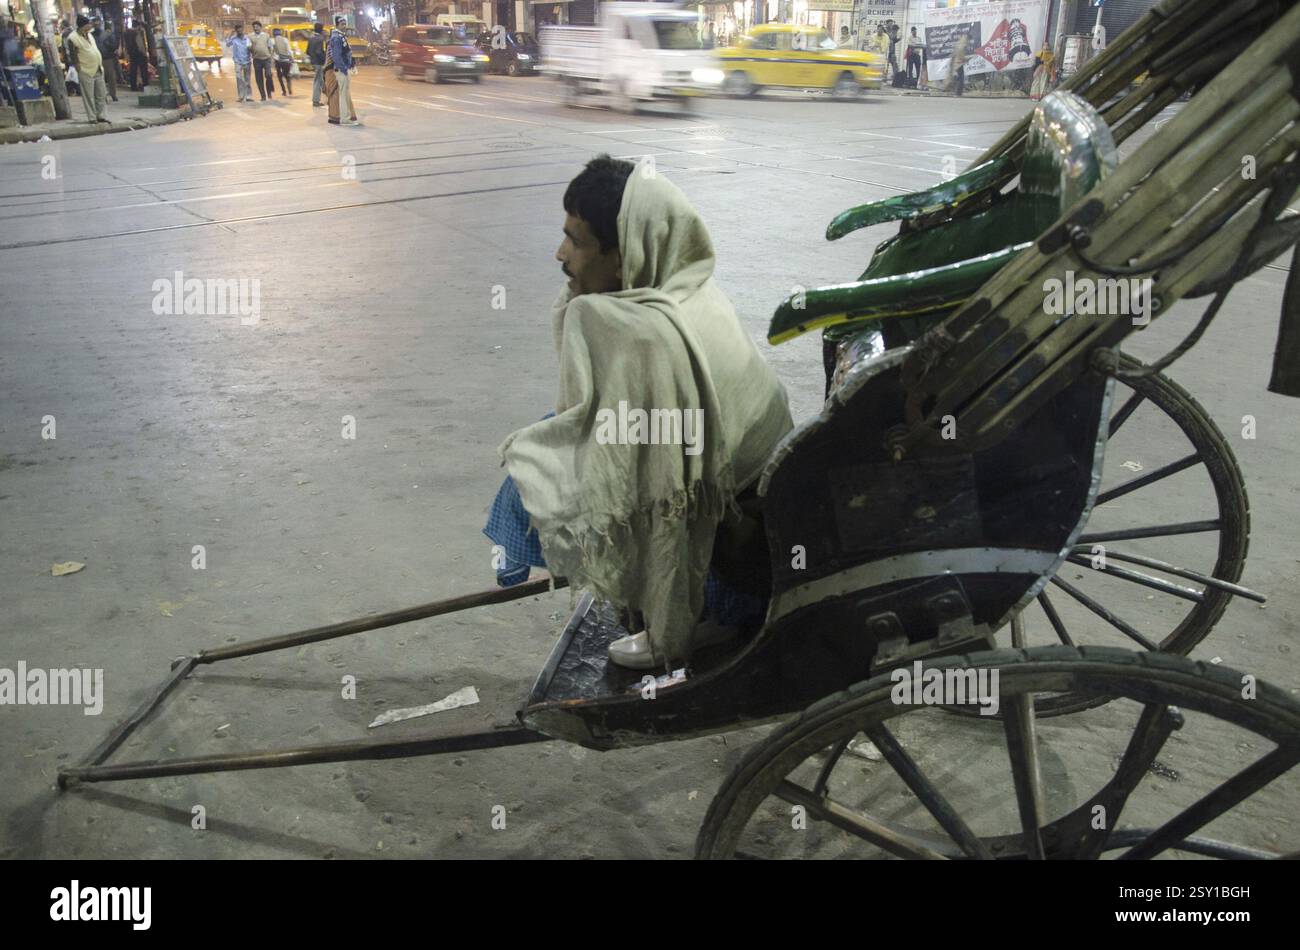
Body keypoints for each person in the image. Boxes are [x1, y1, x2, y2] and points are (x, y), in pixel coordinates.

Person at [484, 155, 793, 672]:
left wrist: (670, 621)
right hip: (758, 502)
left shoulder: (649, 334)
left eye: (577, 242)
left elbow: (670, 498)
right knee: (548, 436)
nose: (561, 255)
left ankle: (688, 620)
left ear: (626, 255)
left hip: (741, 552)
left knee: (531, 478)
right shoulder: (682, 286)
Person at [67, 14, 108, 123]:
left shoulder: (89, 35)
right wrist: (78, 68)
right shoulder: (72, 38)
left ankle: (101, 115)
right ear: (83, 26)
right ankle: (92, 117)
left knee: (101, 94)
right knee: (89, 96)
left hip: (98, 68)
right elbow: (73, 55)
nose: (91, 25)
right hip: (86, 70)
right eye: (88, 24)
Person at [328, 17, 358, 125]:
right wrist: (344, 69)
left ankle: (347, 117)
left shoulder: (341, 36)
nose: (344, 26)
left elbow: (347, 53)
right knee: (343, 95)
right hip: (341, 70)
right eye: (342, 24)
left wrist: (351, 65)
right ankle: (345, 119)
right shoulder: (337, 37)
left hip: (344, 69)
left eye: (345, 23)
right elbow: (336, 56)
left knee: (345, 94)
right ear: (337, 25)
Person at [92, 16, 118, 102]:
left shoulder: (107, 34)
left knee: (111, 77)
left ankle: (113, 94)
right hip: (97, 60)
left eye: (98, 22)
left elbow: (114, 46)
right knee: (100, 79)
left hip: (108, 59)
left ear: (100, 23)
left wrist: (106, 44)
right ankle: (103, 96)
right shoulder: (91, 35)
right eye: (94, 22)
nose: (96, 24)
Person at [248, 20, 274, 100]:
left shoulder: (266, 35)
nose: (255, 28)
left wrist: (270, 56)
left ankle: (269, 91)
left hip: (266, 59)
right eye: (254, 27)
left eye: (257, 27)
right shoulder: (250, 36)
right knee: (259, 79)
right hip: (257, 60)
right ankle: (263, 96)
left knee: (268, 75)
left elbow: (270, 46)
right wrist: (251, 50)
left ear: (260, 27)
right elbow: (249, 47)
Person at [227, 24, 251, 102]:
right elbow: (227, 44)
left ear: (242, 29)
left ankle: (248, 96)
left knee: (247, 79)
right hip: (238, 62)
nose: (239, 31)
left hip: (247, 61)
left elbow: (251, 47)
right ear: (236, 31)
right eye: (238, 30)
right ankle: (241, 96)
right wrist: (230, 34)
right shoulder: (234, 39)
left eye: (240, 29)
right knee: (239, 79)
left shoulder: (247, 38)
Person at [306, 22, 326, 107]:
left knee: (321, 81)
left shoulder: (311, 38)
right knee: (318, 81)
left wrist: (312, 57)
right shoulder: (320, 39)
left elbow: (307, 51)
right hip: (318, 62)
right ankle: (315, 101)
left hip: (313, 62)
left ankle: (327, 96)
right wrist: (324, 59)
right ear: (321, 30)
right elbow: (319, 52)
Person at [125, 21, 148, 91]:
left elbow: (126, 45)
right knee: (143, 70)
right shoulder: (137, 33)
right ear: (138, 26)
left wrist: (127, 54)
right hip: (139, 54)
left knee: (133, 70)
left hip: (132, 54)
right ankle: (145, 85)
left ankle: (133, 86)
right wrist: (145, 53)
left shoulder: (127, 33)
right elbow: (140, 44)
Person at [949, 29, 970, 97]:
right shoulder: (962, 45)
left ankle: (957, 92)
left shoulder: (959, 43)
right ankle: (958, 93)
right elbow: (961, 54)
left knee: (959, 78)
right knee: (961, 79)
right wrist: (965, 59)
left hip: (957, 63)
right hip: (959, 63)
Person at [271, 27, 292, 95]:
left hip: (278, 60)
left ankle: (284, 91)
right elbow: (289, 50)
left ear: (273, 34)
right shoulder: (285, 39)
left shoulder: (272, 40)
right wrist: (291, 58)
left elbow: (271, 52)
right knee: (287, 75)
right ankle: (289, 88)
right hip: (286, 60)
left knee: (280, 76)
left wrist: (271, 62)